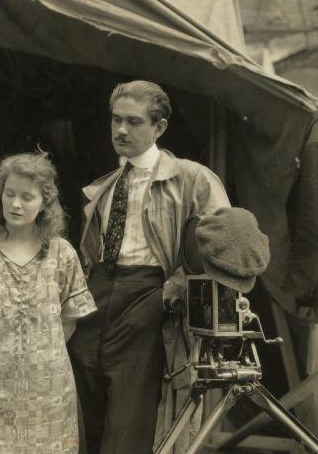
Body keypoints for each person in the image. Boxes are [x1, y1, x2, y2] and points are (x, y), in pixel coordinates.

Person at [69, 80, 231, 454]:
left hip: (149, 296)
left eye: (134, 121)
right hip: (96, 296)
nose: (121, 130)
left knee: (129, 421)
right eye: (116, 120)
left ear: (159, 128)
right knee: (83, 407)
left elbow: (224, 245)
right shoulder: (104, 187)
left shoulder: (192, 178)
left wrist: (168, 293)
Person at [0, 152, 97, 454]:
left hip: (49, 387)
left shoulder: (62, 254)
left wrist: (39, 354)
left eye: (27, 197)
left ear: (44, 203)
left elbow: (69, 320)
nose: (15, 204)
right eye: (10, 194)